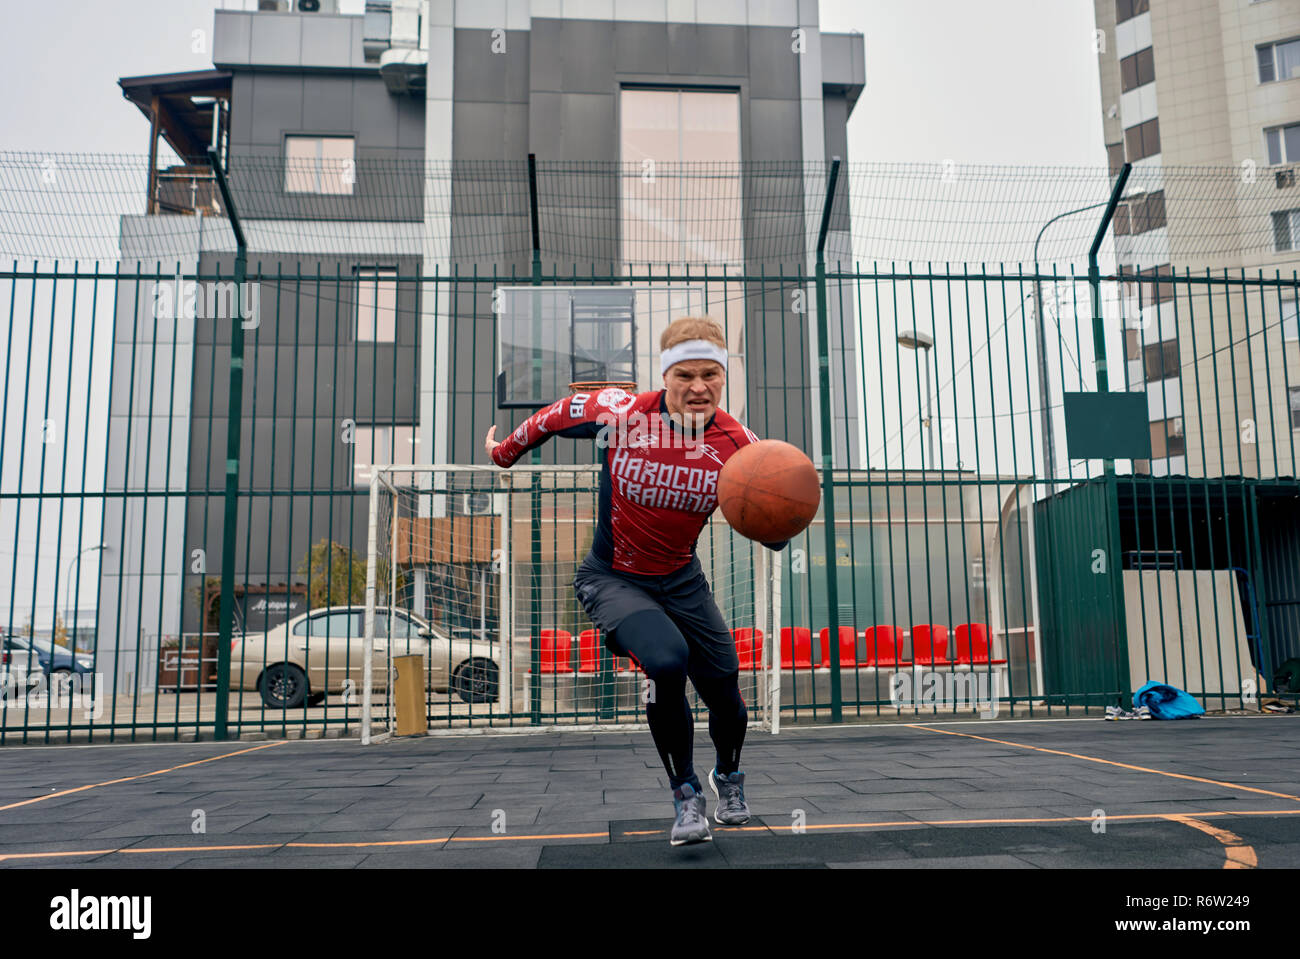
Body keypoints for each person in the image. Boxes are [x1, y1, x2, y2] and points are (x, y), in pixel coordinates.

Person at [484, 316, 787, 846]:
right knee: (667, 661)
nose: (699, 387)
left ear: (723, 376)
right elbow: (553, 417)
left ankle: (728, 778)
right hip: (613, 578)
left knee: (727, 695)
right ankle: (686, 795)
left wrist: (779, 523)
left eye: (711, 375)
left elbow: (774, 525)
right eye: (685, 375)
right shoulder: (619, 413)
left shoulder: (740, 444)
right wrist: (504, 452)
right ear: (665, 377)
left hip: (683, 580)